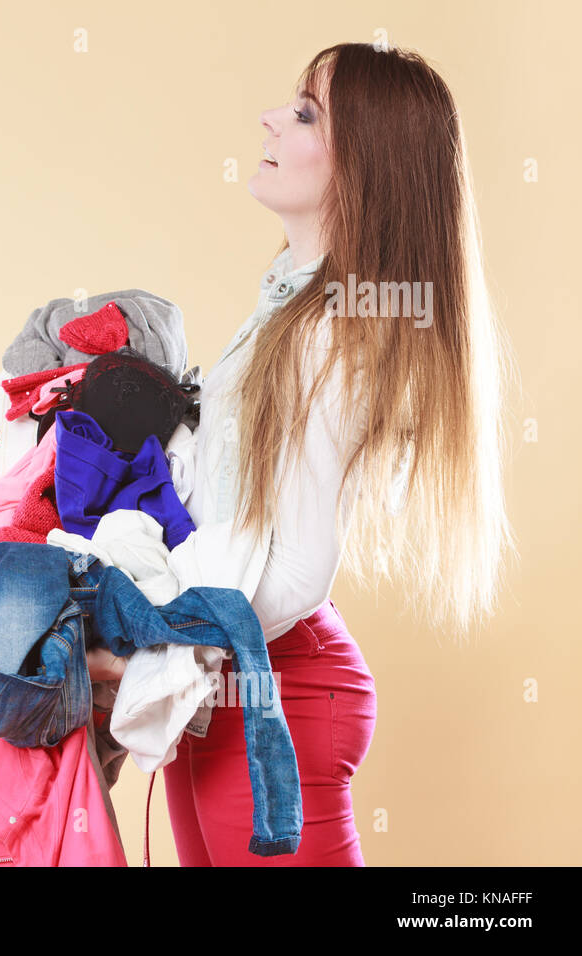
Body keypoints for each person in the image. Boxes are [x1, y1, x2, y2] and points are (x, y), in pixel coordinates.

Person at [87, 42, 517, 866]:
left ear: (367, 167)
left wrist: (148, 647)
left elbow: (295, 573)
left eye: (307, 113)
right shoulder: (291, 308)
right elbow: (233, 516)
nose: (270, 119)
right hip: (235, 688)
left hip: (276, 687)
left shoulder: (335, 339)